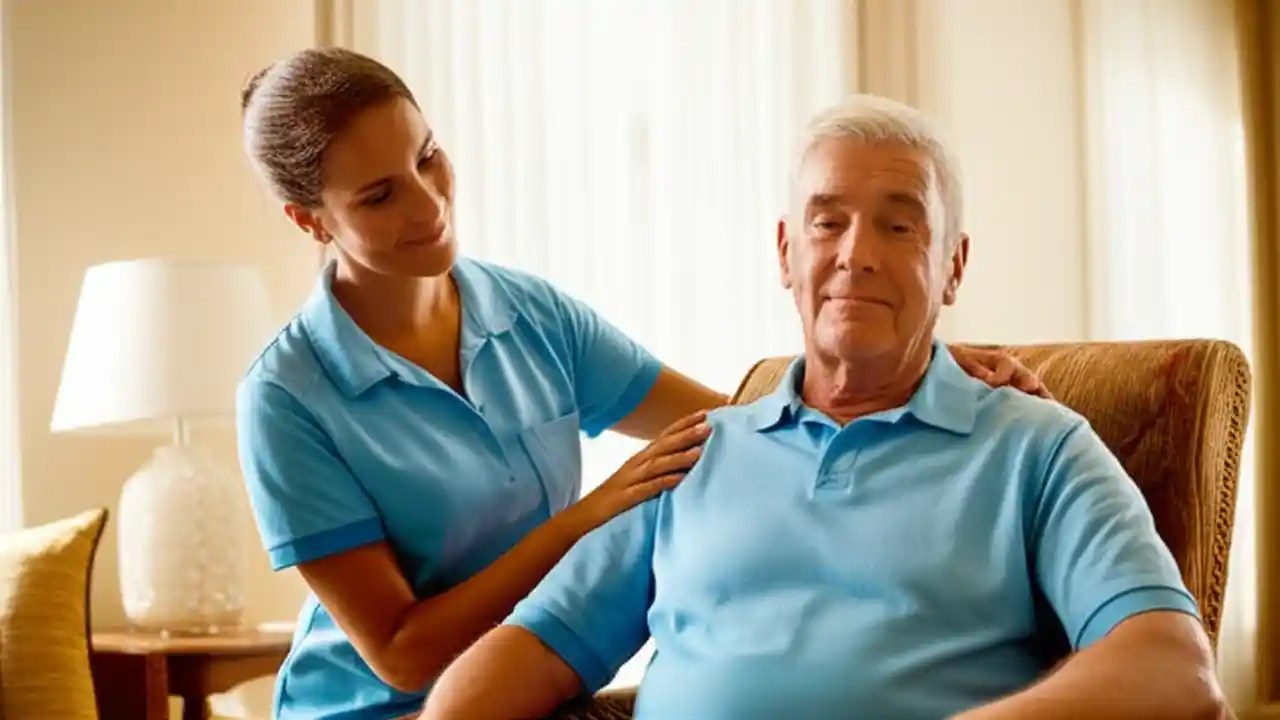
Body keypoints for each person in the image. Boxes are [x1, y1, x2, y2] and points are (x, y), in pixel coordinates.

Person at [236, 48, 1048, 720]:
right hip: (372, 709)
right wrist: (594, 513)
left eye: (428, 157)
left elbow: (750, 426)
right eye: (380, 195)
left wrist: (911, 350)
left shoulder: (530, 314)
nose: (429, 203)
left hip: (532, 695)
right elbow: (403, 653)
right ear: (310, 220)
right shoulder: (286, 394)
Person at [420, 94, 1227, 720]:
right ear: (785, 253)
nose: (856, 254)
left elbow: (1173, 668)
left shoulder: (1037, 446)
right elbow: (527, 653)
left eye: (900, 225)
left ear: (953, 266)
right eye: (826, 221)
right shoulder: (692, 455)